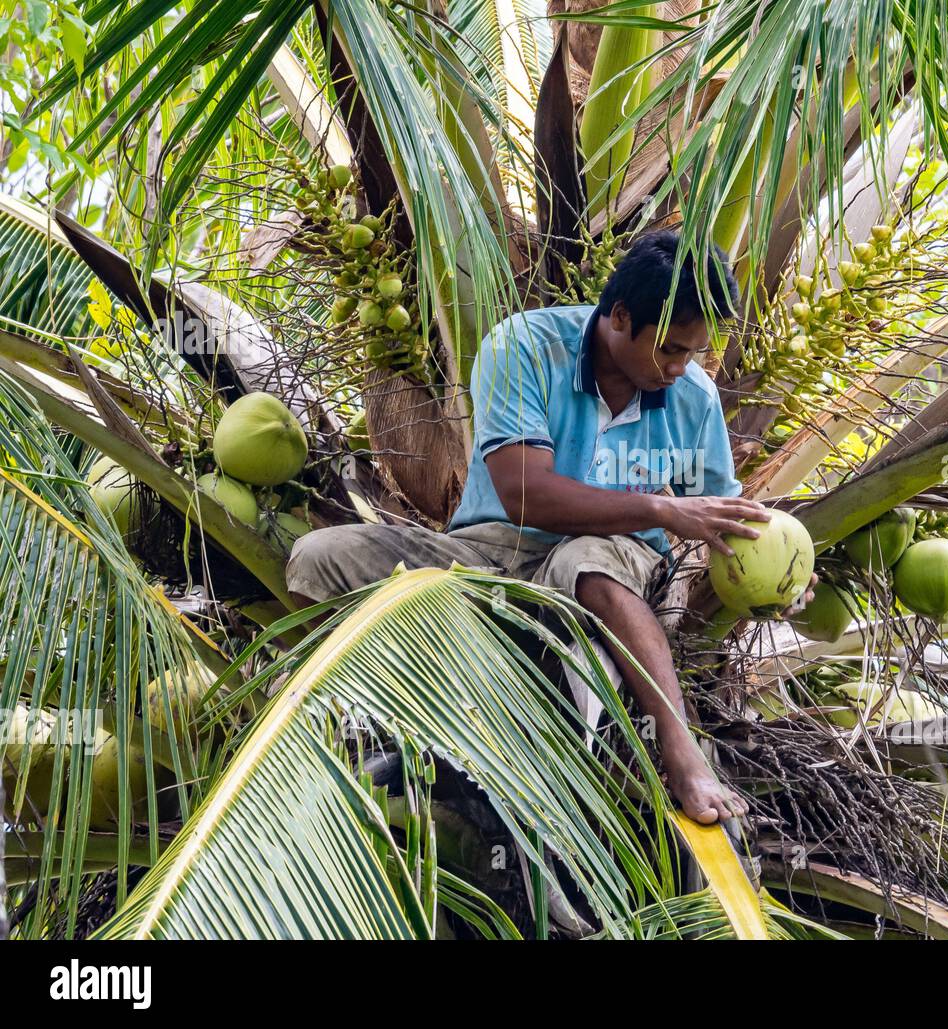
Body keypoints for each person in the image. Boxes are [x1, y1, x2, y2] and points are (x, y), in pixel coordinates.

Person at [287, 230, 812, 824]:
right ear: (618, 317)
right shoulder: (528, 347)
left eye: (691, 353)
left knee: (583, 561)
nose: (677, 368)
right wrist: (661, 509)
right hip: (491, 552)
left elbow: (727, 520)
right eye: (668, 349)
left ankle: (680, 748)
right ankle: (322, 732)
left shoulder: (694, 398)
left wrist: (779, 580)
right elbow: (522, 494)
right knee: (319, 557)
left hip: (617, 569)